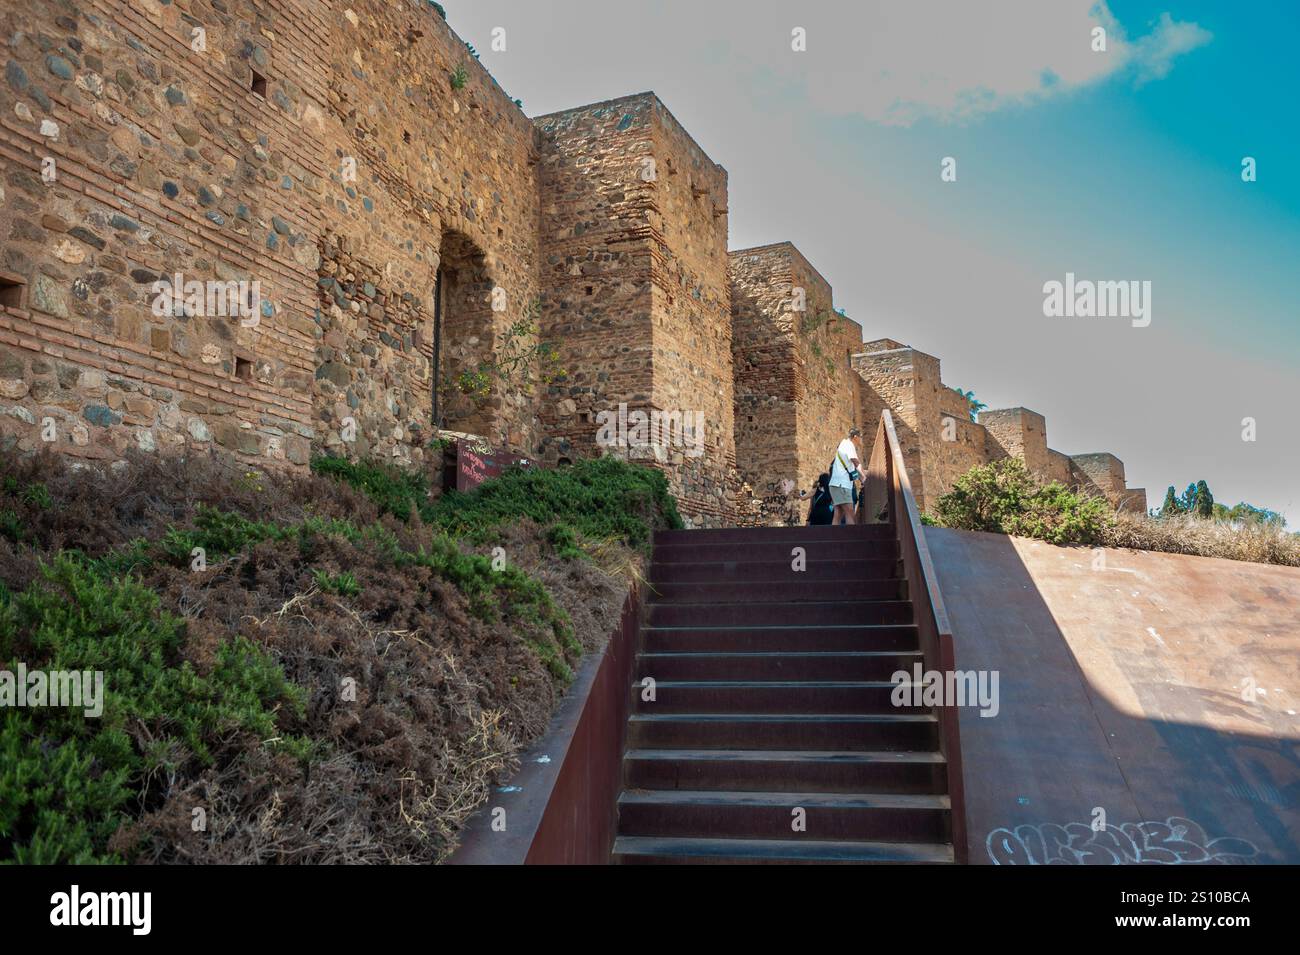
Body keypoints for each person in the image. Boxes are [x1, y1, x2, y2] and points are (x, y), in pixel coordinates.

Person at [828, 427, 862, 525]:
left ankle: (836, 537)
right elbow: (856, 465)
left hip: (839, 486)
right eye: (860, 437)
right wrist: (863, 477)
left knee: (838, 512)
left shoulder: (836, 462)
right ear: (855, 437)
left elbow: (853, 472)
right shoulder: (848, 448)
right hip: (841, 485)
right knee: (849, 512)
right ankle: (851, 536)